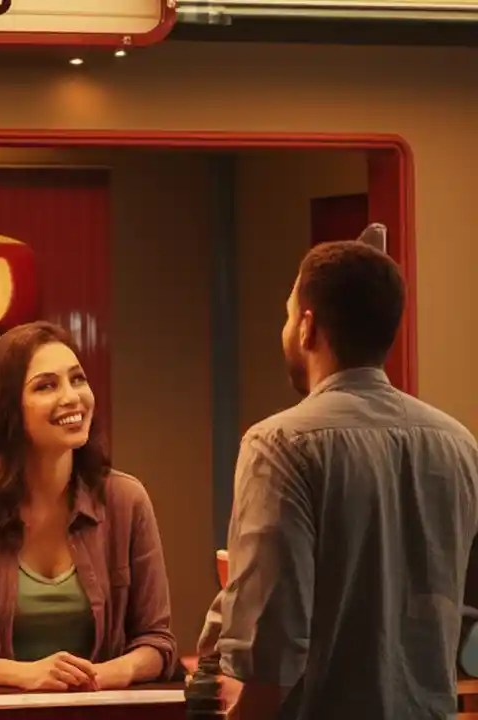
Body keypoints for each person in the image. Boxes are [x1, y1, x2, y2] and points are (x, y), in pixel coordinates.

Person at [197, 238, 478, 719]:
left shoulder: (279, 445)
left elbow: (270, 642)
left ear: (307, 327)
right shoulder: (458, 444)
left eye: (289, 315)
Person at [0, 320, 177, 691]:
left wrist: (103, 675)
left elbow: (157, 642)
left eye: (77, 379)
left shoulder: (126, 501)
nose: (72, 397)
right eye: (46, 386)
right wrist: (23, 674)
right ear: (7, 408)